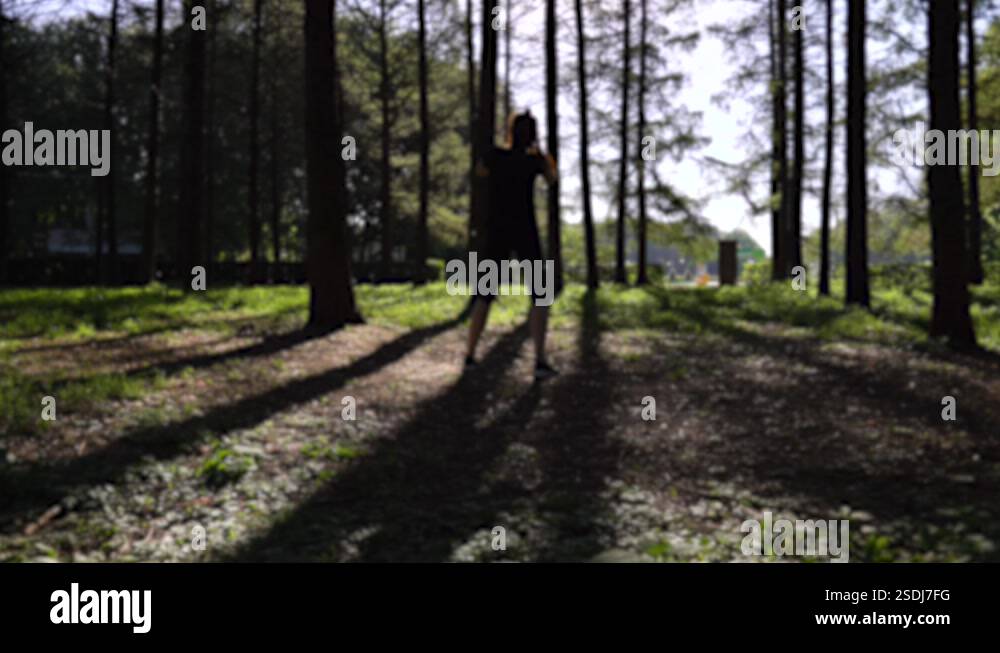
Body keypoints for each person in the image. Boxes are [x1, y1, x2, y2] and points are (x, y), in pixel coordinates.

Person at [464, 111, 559, 380]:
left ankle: (470, 355)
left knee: (484, 295)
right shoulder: (534, 161)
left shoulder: (496, 156)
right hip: (525, 231)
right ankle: (540, 361)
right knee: (541, 296)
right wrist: (540, 153)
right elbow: (553, 180)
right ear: (533, 134)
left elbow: (480, 171)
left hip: (497, 232)